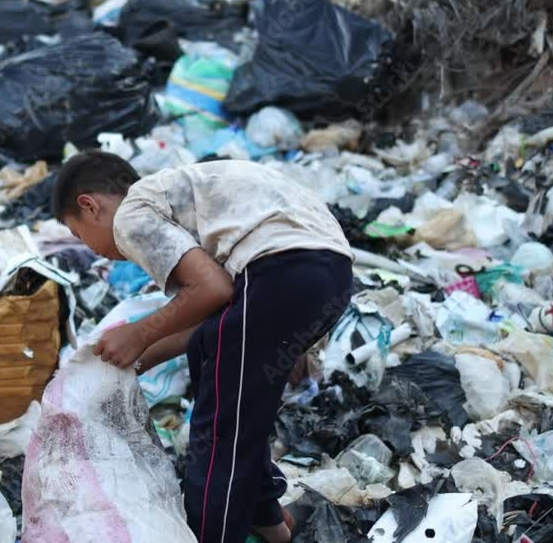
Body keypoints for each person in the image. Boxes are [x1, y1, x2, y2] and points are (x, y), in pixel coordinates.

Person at [51, 151, 354, 543]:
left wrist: (139, 334)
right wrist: (136, 360)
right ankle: (269, 521)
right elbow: (213, 316)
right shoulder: (180, 204)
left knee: (217, 436)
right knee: (230, 396)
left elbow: (213, 289)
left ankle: (211, 533)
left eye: (79, 235)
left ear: (90, 206)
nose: (90, 248)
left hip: (282, 270)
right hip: (328, 273)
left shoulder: (130, 214)